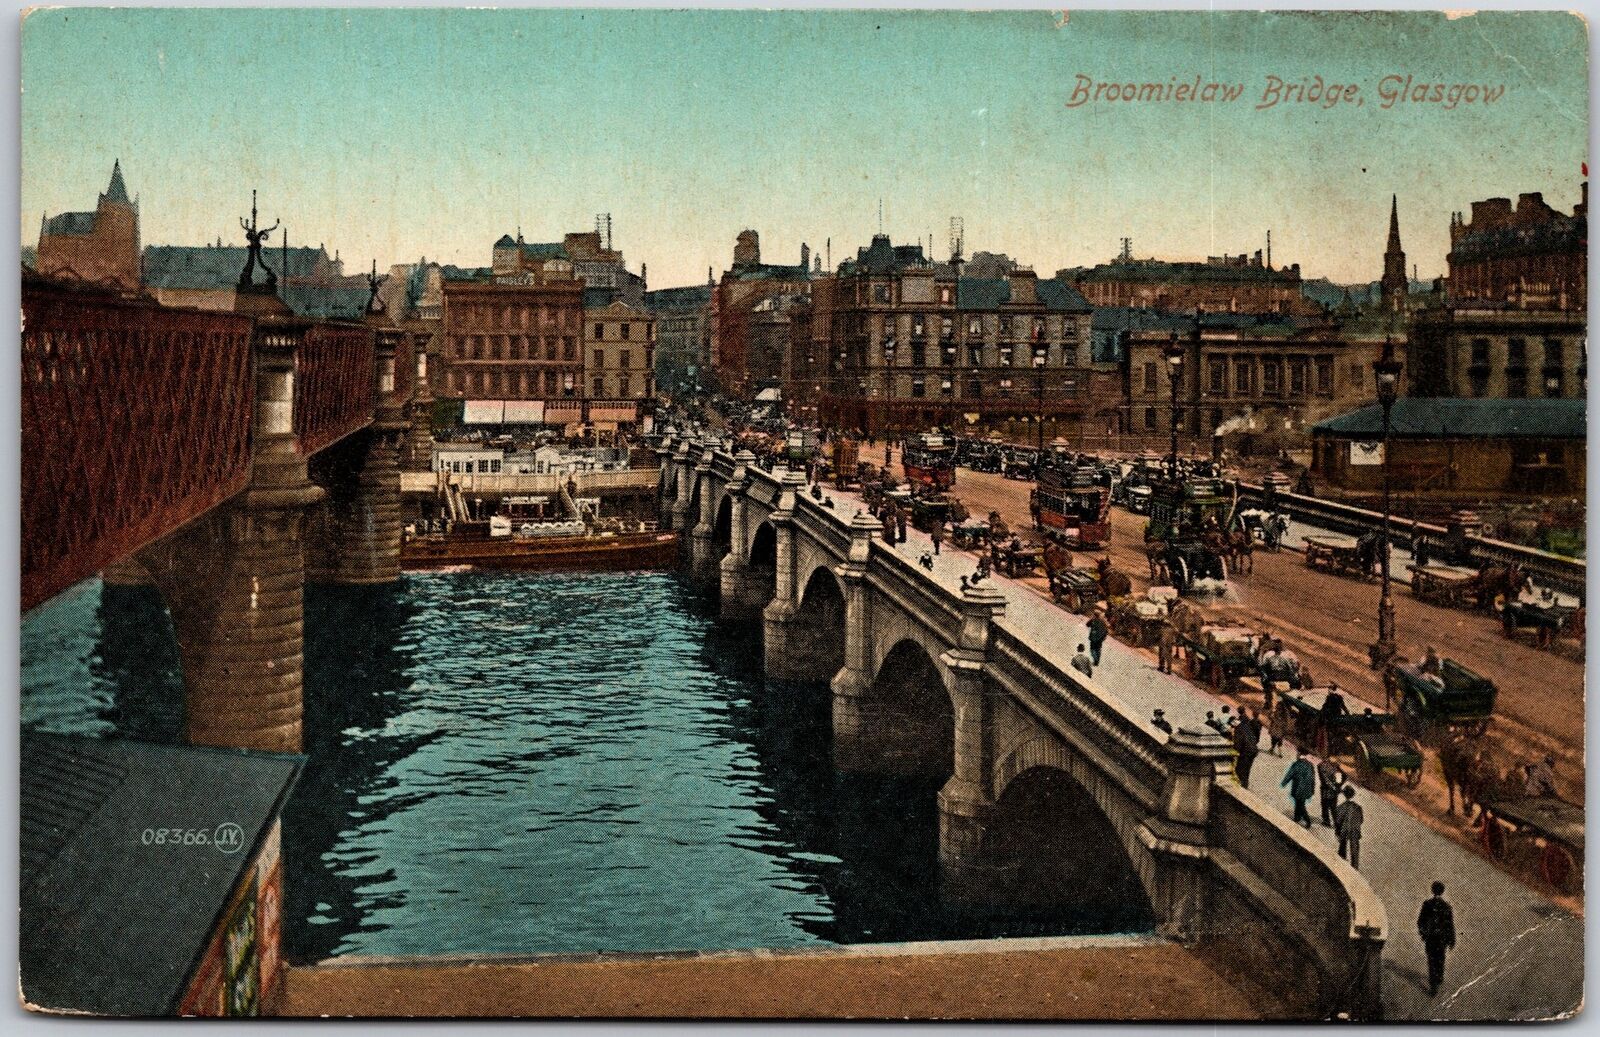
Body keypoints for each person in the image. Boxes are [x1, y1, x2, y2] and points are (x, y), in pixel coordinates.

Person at [1417, 882, 1456, 997]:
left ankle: (1433, 984)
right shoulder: (1447, 906)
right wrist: (1452, 940)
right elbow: (1450, 925)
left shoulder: (1427, 904)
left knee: (1431, 960)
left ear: (1432, 891)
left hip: (1431, 938)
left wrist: (1423, 934)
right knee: (1440, 958)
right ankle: (1439, 977)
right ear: (1442, 892)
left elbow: (1420, 921)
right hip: (1442, 939)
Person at [1281, 749, 1316, 828]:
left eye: (1297, 753)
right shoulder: (1310, 765)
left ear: (1299, 754)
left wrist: (1284, 783)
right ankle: (1297, 818)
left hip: (1298, 789)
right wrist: (1312, 789)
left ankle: (1307, 820)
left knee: (1300, 805)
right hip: (1306, 789)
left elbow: (1290, 774)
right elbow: (1313, 779)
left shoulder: (1297, 764)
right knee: (1299, 803)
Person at [1335, 785, 1365, 870]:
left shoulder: (1341, 807)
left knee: (1342, 847)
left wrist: (1337, 832)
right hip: (1355, 830)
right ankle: (1355, 868)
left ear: (1344, 795)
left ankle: (1341, 864)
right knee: (1354, 849)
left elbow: (1338, 821)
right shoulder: (1358, 807)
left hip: (1344, 829)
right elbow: (1361, 820)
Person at [1232, 710, 1259, 788]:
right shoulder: (1247, 728)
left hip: (1247, 751)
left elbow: (1238, 744)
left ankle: (1240, 788)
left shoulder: (1239, 730)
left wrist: (1234, 751)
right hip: (1253, 751)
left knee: (1239, 769)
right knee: (1247, 769)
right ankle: (1245, 785)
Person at [1317, 756, 1344, 826]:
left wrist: (1337, 786)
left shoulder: (1321, 765)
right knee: (1331, 806)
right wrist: (1338, 786)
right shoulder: (1335, 766)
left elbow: (1325, 780)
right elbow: (1344, 776)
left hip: (1327, 789)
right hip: (1331, 789)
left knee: (1326, 805)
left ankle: (1327, 821)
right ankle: (1334, 822)